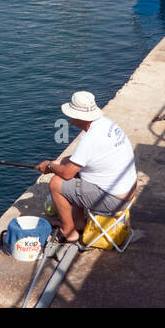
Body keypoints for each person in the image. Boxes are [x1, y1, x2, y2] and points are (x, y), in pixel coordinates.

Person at [36, 92, 137, 245]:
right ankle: (78, 223)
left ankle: (69, 233)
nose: (70, 119)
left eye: (72, 114)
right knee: (79, 177)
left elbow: (67, 173)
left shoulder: (89, 140)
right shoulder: (106, 124)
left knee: (56, 183)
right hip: (128, 191)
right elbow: (81, 159)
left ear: (79, 117)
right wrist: (57, 161)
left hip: (114, 200)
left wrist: (50, 167)